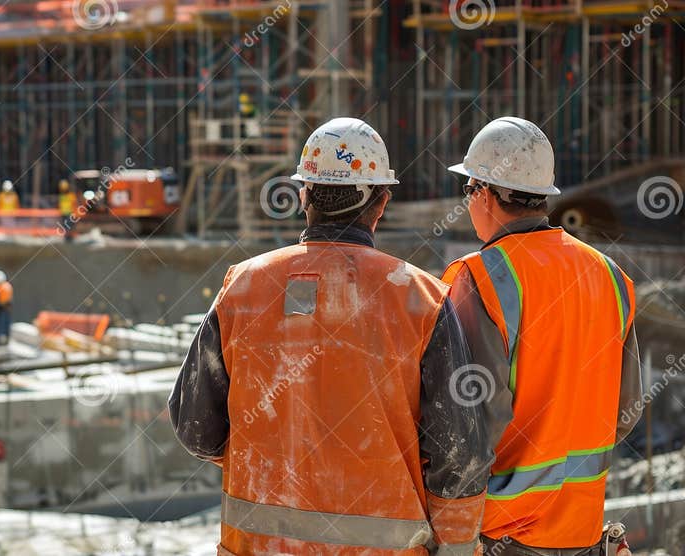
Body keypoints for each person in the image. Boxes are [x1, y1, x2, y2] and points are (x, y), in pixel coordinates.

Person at [170, 117, 494, 555]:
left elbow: (195, 430)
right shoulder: (420, 299)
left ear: (304, 196)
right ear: (381, 202)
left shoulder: (242, 288)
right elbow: (459, 456)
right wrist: (456, 548)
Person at [441, 117, 642, 552]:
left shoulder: (479, 278)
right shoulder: (611, 277)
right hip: (582, 532)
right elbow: (625, 412)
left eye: (469, 190)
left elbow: (466, 427)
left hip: (499, 533)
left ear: (486, 193)